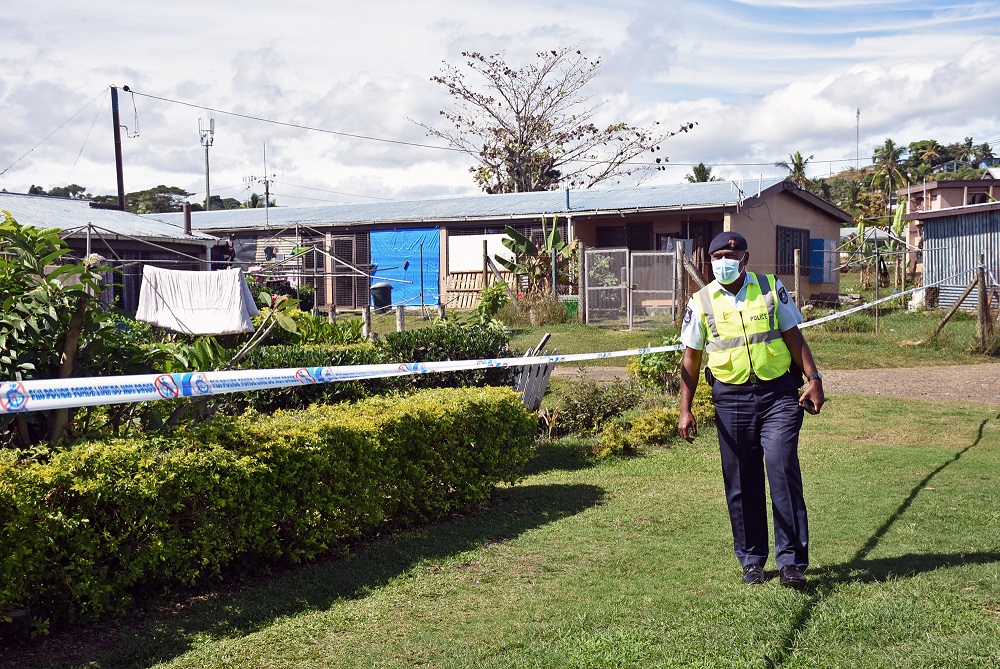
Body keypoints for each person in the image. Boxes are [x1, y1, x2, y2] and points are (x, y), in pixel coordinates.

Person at [678, 231, 824, 589]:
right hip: (731, 399)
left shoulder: (771, 287)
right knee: (742, 481)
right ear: (709, 261)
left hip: (779, 394)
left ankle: (791, 561)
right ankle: (752, 560)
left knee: (781, 467)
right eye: (716, 258)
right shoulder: (700, 303)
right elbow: (691, 358)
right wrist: (685, 409)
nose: (724, 262)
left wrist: (813, 377)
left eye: (731, 256)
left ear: (744, 259)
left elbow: (793, 335)